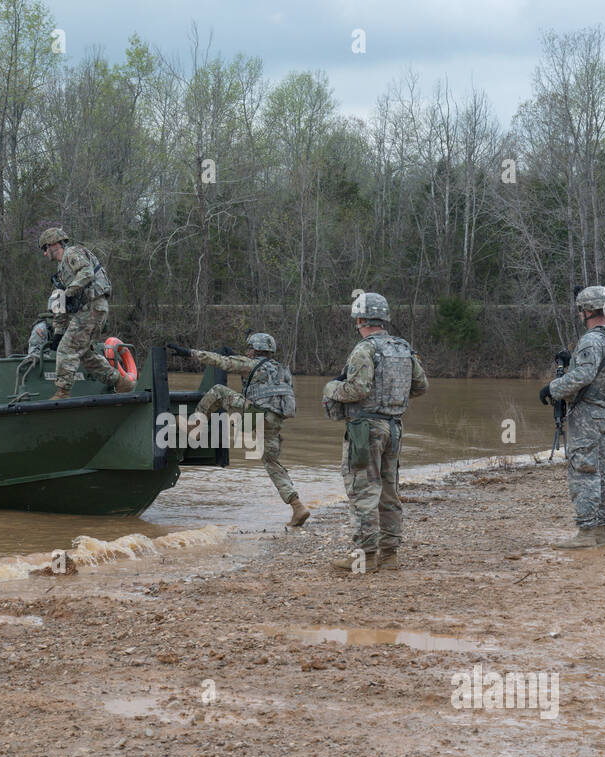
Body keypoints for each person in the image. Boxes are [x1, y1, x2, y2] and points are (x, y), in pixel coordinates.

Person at [322, 292, 428, 572]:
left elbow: (357, 389)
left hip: (365, 429)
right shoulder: (403, 348)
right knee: (389, 491)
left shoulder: (364, 350)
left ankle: (364, 557)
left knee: (363, 491)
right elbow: (421, 386)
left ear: (360, 320)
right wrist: (391, 400)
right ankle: (390, 555)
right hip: (394, 427)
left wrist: (331, 388)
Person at [168, 334, 310, 527]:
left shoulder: (250, 365)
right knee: (272, 463)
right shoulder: (281, 370)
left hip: (256, 415)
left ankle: (195, 424)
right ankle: (297, 506)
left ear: (253, 350)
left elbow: (222, 362)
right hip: (275, 421)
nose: (247, 352)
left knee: (218, 391)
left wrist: (189, 353)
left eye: (248, 349)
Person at [539, 284, 605, 548]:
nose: (579, 314)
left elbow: (584, 375)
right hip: (604, 413)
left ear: (587, 311)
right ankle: (600, 532)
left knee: (584, 470)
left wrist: (552, 389)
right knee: (601, 470)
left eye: (580, 309)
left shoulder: (591, 339)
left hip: (587, 414)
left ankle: (587, 533)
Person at [38, 226, 133, 400]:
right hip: (87, 311)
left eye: (45, 248)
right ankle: (121, 382)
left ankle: (63, 392)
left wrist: (68, 293)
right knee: (85, 355)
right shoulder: (61, 273)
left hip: (92, 307)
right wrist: (58, 332)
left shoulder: (71, 253)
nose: (44, 253)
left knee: (67, 349)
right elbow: (60, 302)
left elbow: (87, 273)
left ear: (53, 244)